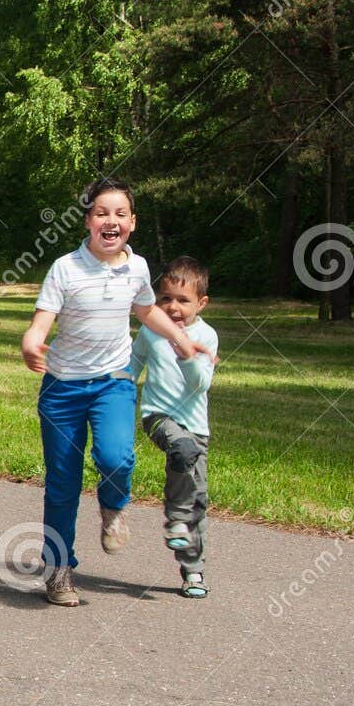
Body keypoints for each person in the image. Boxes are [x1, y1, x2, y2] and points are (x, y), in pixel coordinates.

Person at [21, 178, 203, 607]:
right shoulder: (65, 268)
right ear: (88, 220)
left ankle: (113, 507)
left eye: (120, 213)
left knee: (116, 457)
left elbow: (145, 310)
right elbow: (43, 319)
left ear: (132, 222)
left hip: (113, 383)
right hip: (62, 388)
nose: (111, 220)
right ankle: (58, 570)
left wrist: (179, 337)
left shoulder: (137, 268)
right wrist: (32, 340)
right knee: (62, 483)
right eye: (102, 212)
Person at [129, 256, 218, 599]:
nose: (173, 307)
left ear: (201, 303)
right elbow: (133, 363)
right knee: (181, 448)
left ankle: (193, 571)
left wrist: (187, 356)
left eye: (183, 300)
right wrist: (117, 388)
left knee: (198, 499)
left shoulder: (207, 336)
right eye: (166, 298)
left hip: (196, 427)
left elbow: (200, 385)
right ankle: (176, 518)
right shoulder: (151, 331)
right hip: (159, 417)